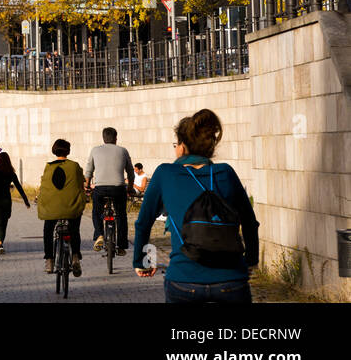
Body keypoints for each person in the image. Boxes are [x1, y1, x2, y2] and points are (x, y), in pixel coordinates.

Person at [133, 109, 259, 303]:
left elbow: (143, 222)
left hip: (183, 280)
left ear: (182, 147)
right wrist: (250, 261)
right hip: (231, 280)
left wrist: (142, 262)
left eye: (176, 144)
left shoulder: (165, 173)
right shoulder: (225, 172)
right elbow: (250, 222)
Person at [85, 127, 136, 256]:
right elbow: (130, 172)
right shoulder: (123, 151)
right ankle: (121, 246)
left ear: (103, 138)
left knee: (96, 211)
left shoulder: (95, 150)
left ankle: (99, 235)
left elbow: (89, 170)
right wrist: (129, 188)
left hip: (100, 188)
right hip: (118, 188)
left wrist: (87, 185)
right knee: (121, 215)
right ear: (116, 138)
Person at [38, 138, 85, 277]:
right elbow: (80, 183)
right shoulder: (75, 166)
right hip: (71, 208)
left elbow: (44, 187)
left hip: (51, 209)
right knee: (74, 229)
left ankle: (49, 260)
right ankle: (75, 257)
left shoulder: (48, 166)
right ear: (68, 151)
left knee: (48, 230)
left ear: (54, 150)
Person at [0, 151, 30, 254]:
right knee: (4, 223)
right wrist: (25, 200)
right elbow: (19, 187)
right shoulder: (10, 173)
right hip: (6, 201)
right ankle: (0, 242)